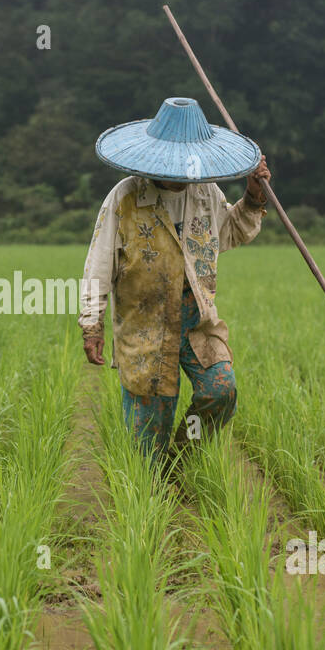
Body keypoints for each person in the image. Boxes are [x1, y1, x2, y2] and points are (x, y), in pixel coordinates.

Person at [79, 96, 271, 462]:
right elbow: (98, 264)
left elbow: (227, 234)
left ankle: (182, 463)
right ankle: (149, 487)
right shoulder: (125, 198)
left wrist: (253, 195)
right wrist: (92, 324)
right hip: (144, 323)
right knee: (150, 424)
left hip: (195, 318)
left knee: (220, 390)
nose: (183, 174)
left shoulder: (205, 192)